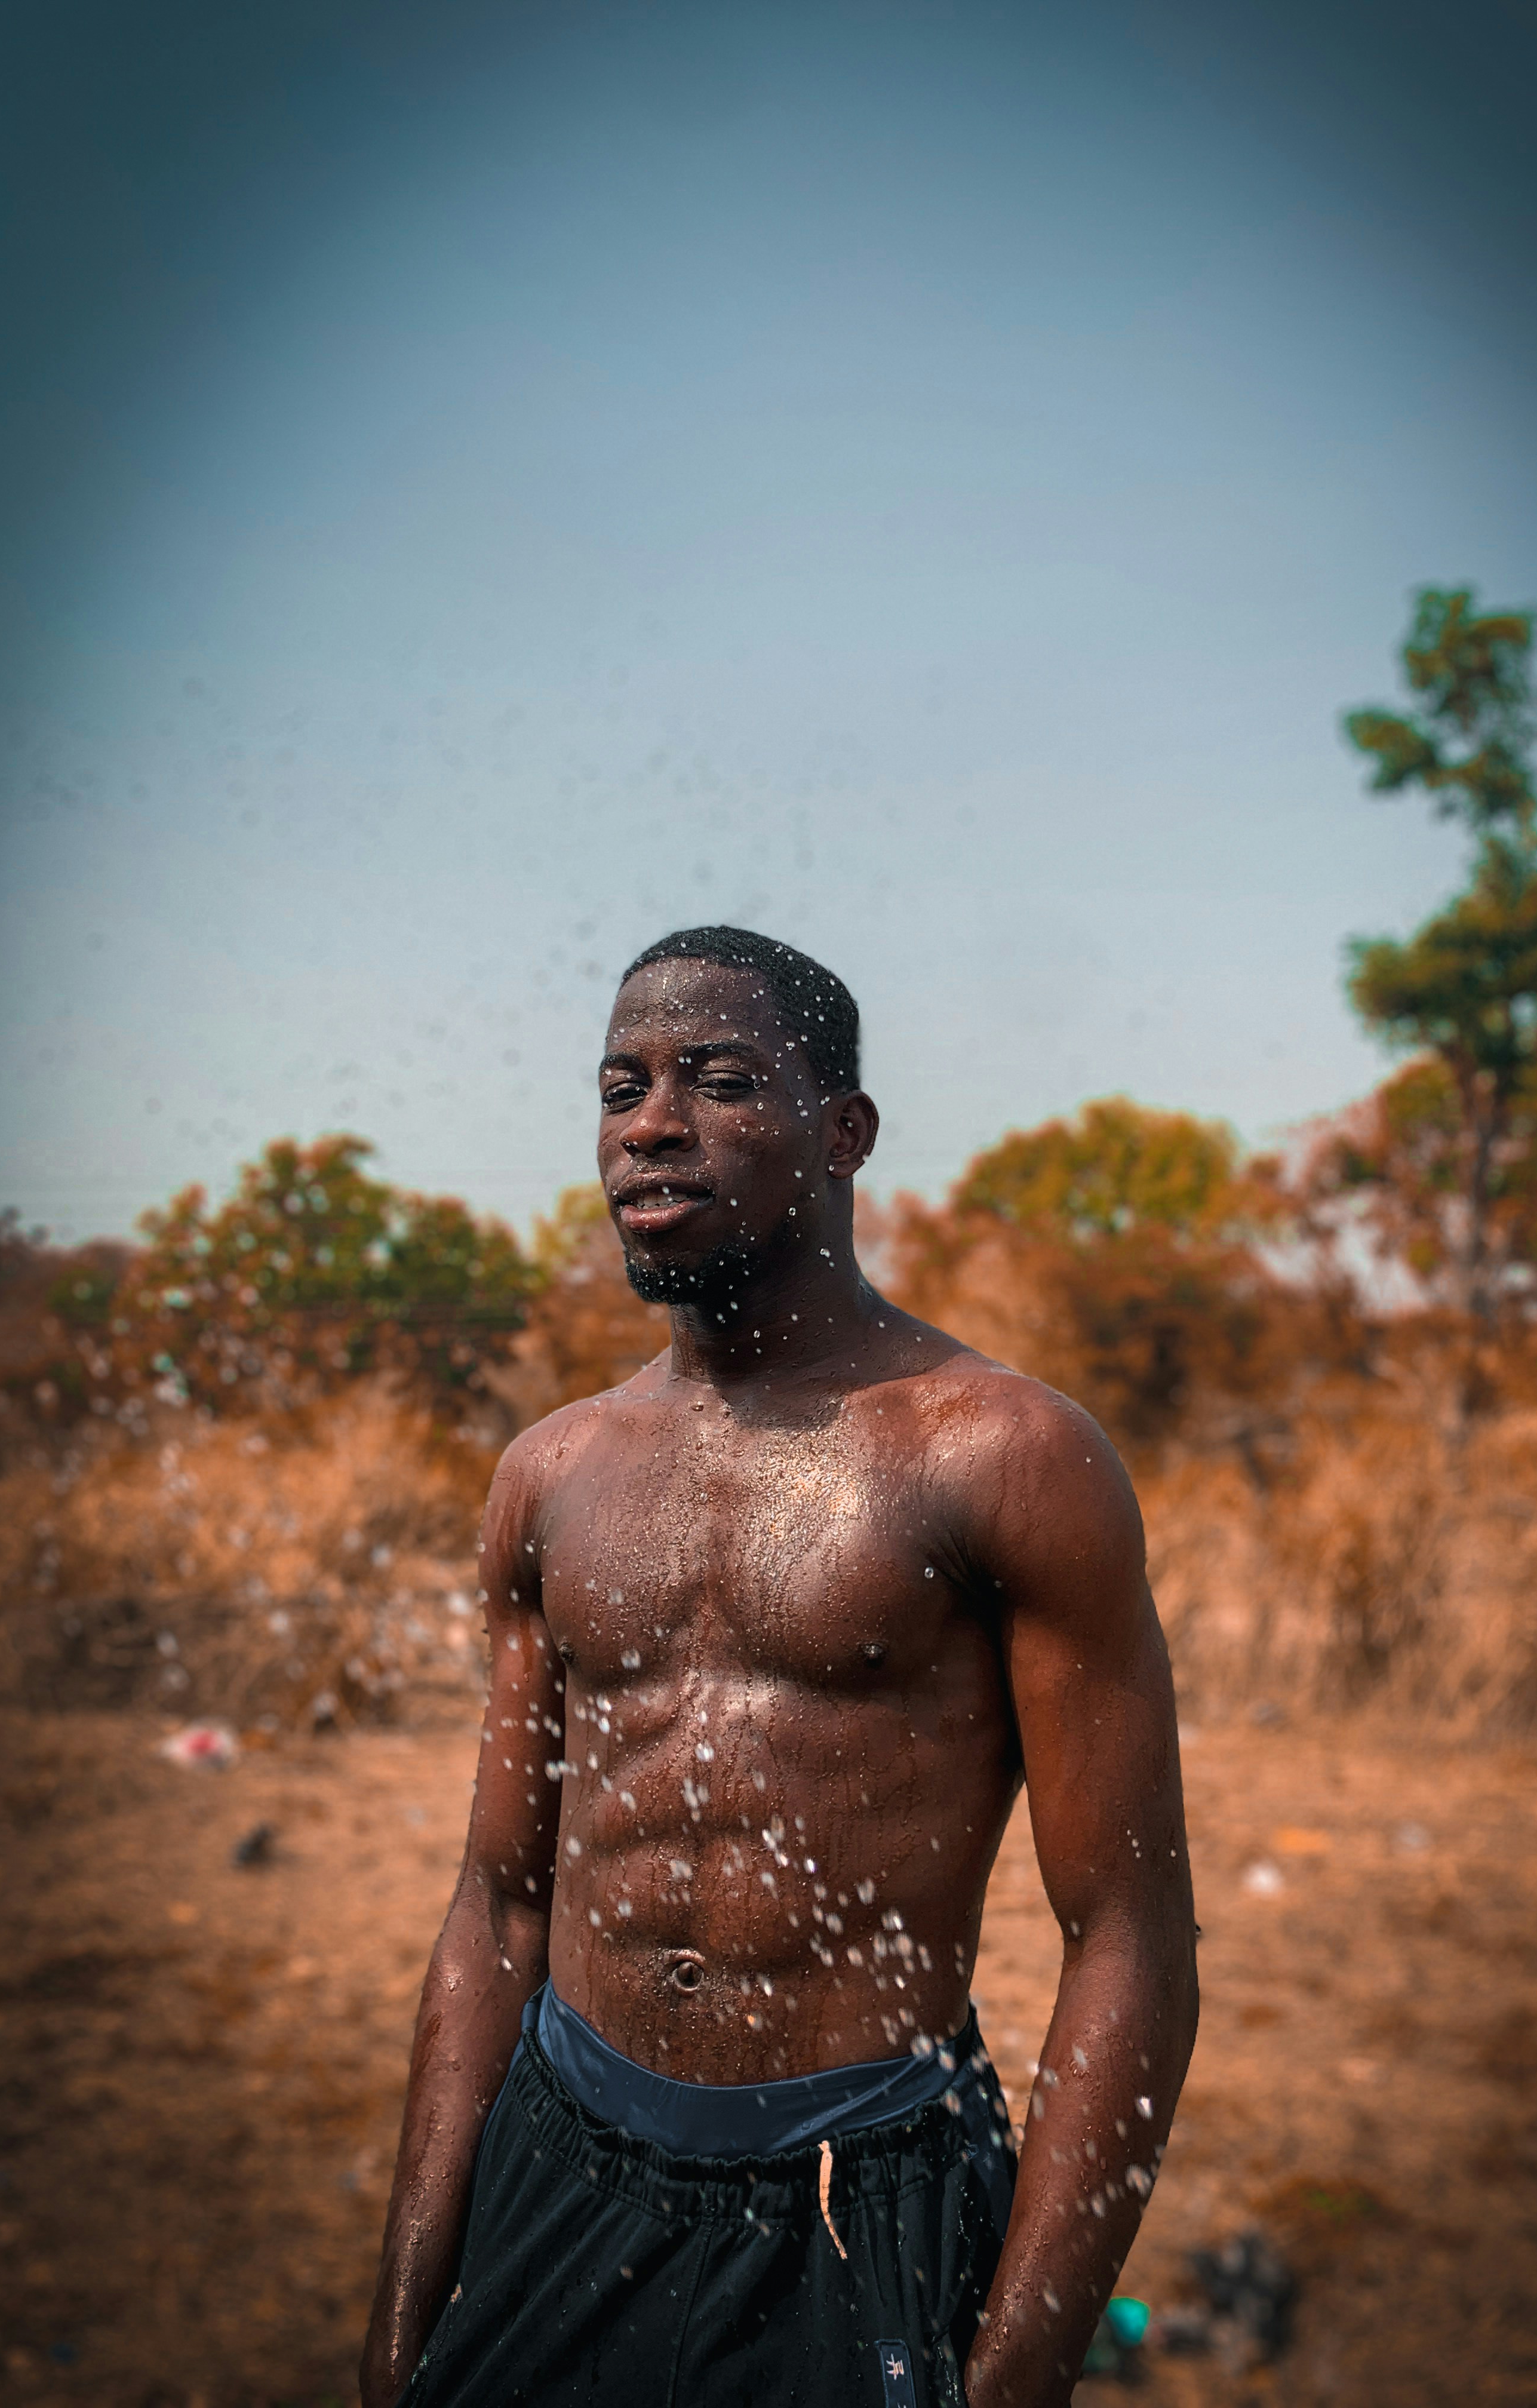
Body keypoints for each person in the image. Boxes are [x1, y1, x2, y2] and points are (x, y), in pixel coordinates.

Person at [361, 926, 1198, 2408]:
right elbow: (498, 1906)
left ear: (845, 1130)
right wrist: (398, 2328)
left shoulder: (1003, 1455)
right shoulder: (552, 1475)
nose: (653, 1123)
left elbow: (1130, 1938)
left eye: (720, 1080)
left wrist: (1016, 2379)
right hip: (559, 2155)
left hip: (855, 2188)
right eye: (621, 1087)